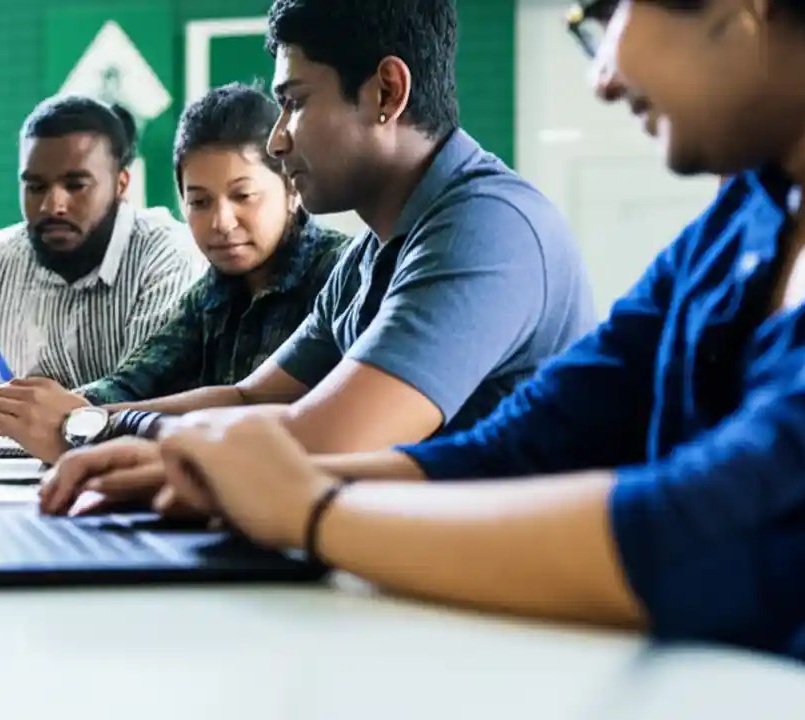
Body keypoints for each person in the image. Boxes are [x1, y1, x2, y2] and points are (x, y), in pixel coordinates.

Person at [58, 0, 805, 666]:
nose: (602, 75)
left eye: (604, 15)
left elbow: (706, 535)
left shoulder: (489, 223)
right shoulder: (739, 224)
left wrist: (311, 510)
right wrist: (222, 479)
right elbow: (516, 449)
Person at [34, 0, 595, 503]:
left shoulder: (486, 228)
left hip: (492, 601)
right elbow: (247, 398)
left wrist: (101, 430)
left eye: (294, 103)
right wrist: (87, 417)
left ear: (386, 93)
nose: (279, 140)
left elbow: (325, 441)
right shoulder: (370, 257)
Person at [0, 84, 350, 462]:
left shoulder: (343, 275)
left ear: (290, 187)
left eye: (242, 195)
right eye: (199, 201)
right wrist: (56, 410)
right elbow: (135, 380)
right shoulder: (212, 294)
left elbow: (261, 412)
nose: (221, 221)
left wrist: (82, 420)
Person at [0, 95, 204, 429]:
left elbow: (137, 406)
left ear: (121, 184)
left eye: (76, 185)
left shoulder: (168, 258)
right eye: (35, 187)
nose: (53, 205)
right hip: (25, 466)